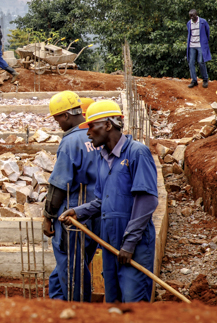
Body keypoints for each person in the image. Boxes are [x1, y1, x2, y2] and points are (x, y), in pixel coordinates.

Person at [59, 100, 159, 303]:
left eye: (91, 127)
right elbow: (101, 201)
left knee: (133, 304)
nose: (88, 133)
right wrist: (78, 212)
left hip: (134, 245)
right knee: (113, 302)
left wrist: (129, 243)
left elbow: (147, 201)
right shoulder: (102, 158)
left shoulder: (137, 153)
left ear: (107, 125)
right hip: (109, 243)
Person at [42, 91, 102, 301]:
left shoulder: (70, 142)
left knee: (72, 268)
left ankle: (77, 310)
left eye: (57, 118)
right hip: (95, 212)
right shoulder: (96, 135)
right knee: (73, 265)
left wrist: (48, 216)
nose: (57, 123)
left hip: (72, 216)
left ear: (66, 115)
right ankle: (58, 305)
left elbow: (59, 185)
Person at [185, 9, 211, 88]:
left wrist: (205, 41)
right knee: (191, 62)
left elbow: (207, 31)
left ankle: (205, 79)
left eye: (192, 16)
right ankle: (194, 80)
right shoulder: (189, 23)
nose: (191, 17)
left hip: (200, 45)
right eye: (190, 16)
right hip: (192, 45)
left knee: (200, 62)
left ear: (196, 15)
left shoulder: (203, 22)